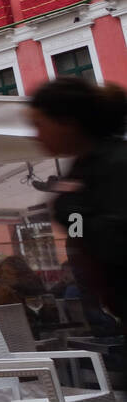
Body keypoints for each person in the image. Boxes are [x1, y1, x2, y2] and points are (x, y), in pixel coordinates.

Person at [31, 77, 127, 320]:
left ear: (67, 122)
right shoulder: (84, 167)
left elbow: (113, 239)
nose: (36, 136)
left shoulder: (115, 163)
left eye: (39, 125)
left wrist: (73, 211)